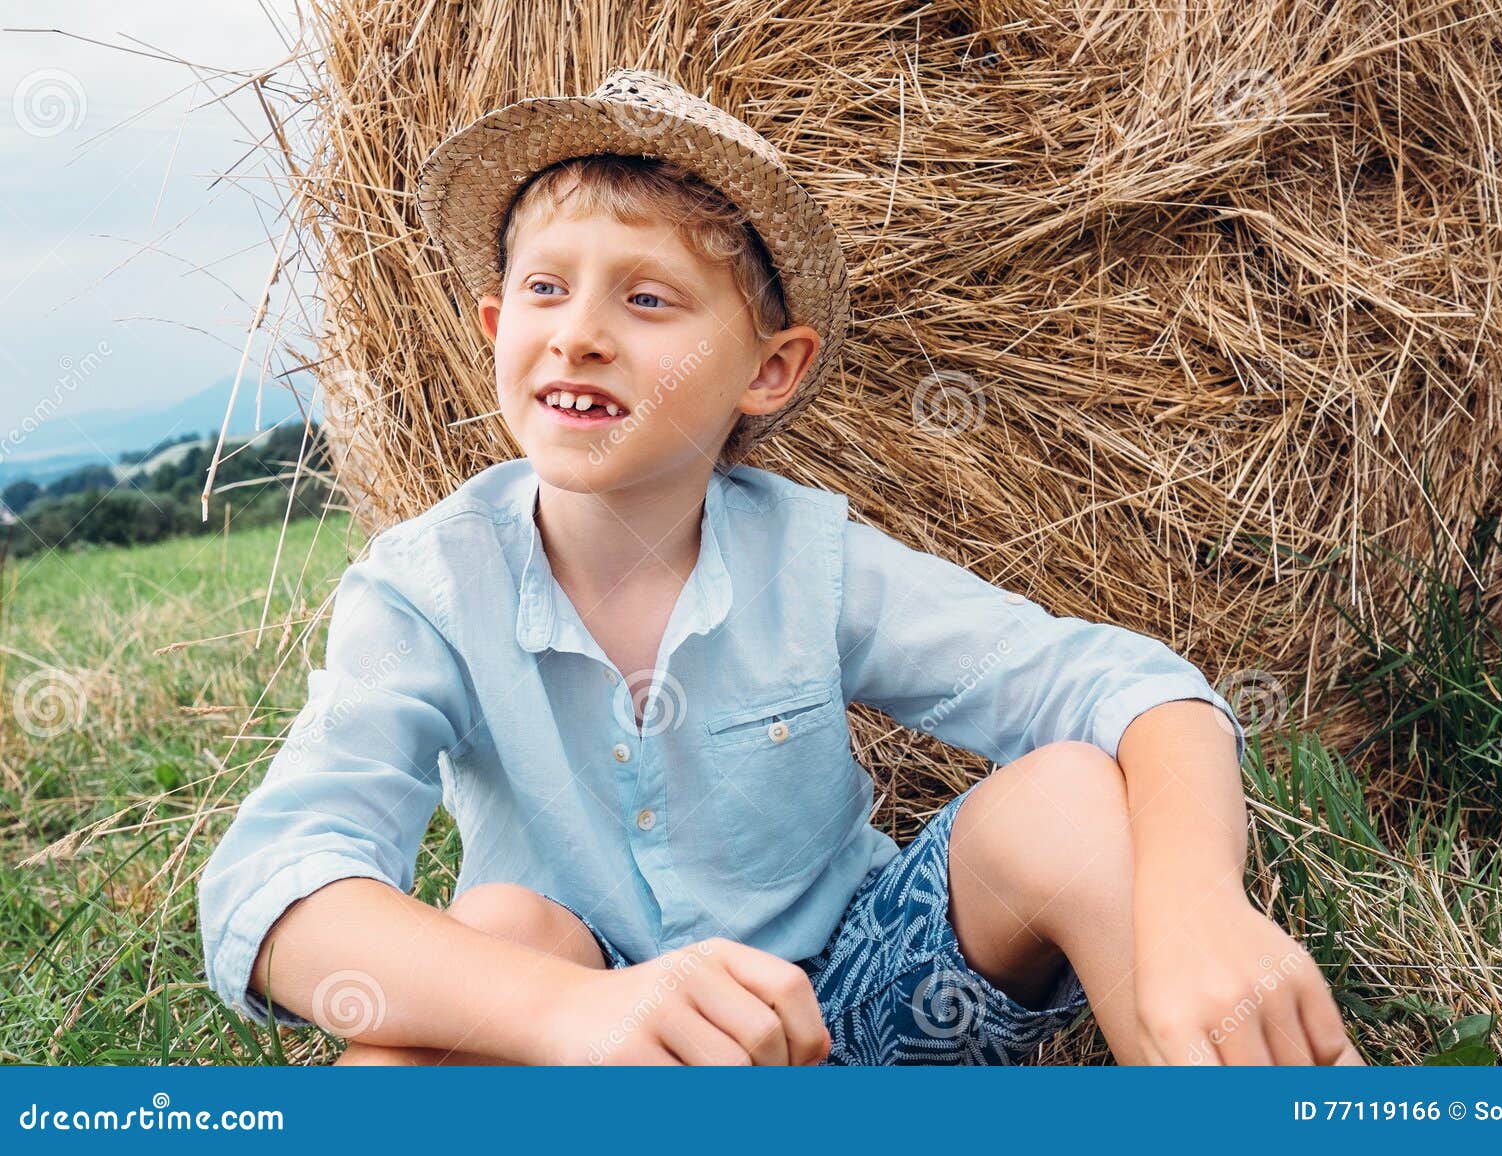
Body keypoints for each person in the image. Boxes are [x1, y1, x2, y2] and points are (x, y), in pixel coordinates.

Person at [198, 69, 1363, 1066]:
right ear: (496, 323)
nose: (580, 331)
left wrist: (1196, 904)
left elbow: (1133, 687)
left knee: (1065, 797)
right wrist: (572, 1011)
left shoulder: (810, 557)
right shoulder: (428, 588)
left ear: (769, 369)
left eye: (647, 298)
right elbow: (274, 881)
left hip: (856, 1009)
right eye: (545, 289)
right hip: (601, 1052)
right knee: (500, 924)